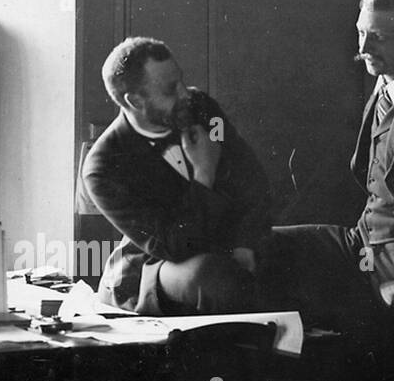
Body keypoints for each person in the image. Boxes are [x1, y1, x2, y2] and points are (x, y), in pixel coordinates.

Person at [260, 0, 394, 329]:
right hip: (362, 239)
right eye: (360, 32)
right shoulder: (383, 83)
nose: (364, 47)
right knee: (260, 246)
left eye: (379, 37)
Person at [83, 37, 272, 315]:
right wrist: (204, 172)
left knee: (314, 248)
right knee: (216, 278)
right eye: (171, 89)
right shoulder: (103, 167)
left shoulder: (200, 107)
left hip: (226, 242)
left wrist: (244, 244)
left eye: (181, 80)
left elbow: (253, 180)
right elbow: (174, 246)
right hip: (154, 264)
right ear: (134, 100)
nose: (185, 94)